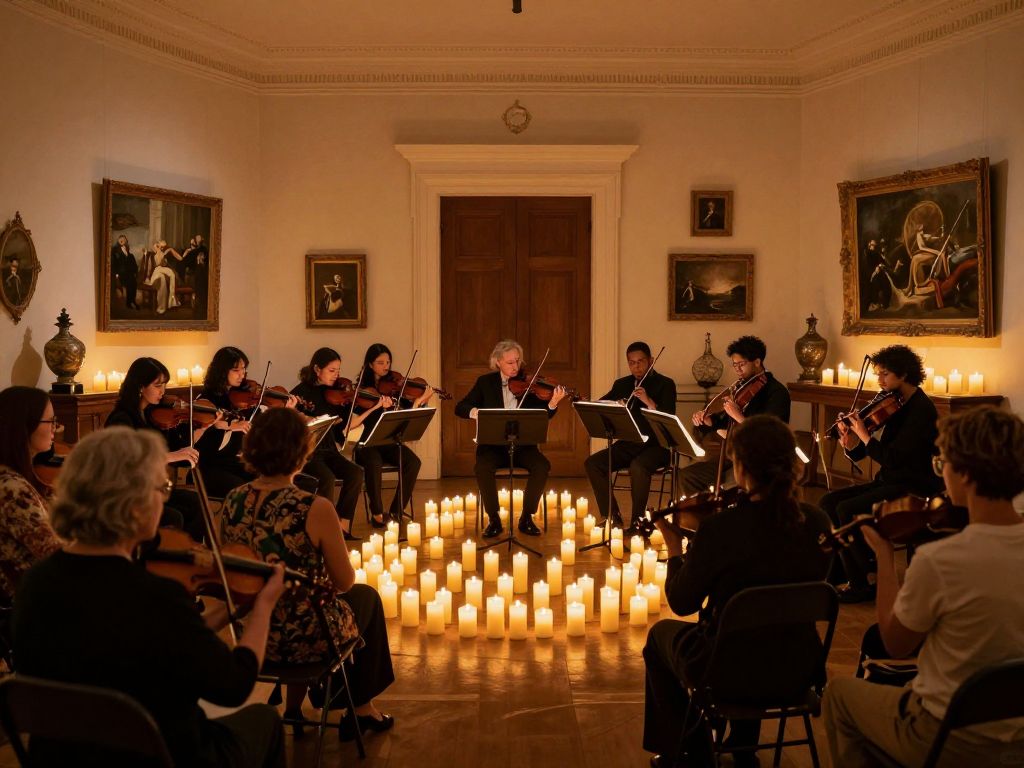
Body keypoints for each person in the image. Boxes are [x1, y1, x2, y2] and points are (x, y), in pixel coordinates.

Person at [12, 427, 287, 768]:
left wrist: (225, 613)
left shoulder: (36, 582)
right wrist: (263, 607)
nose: (164, 499)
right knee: (264, 720)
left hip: (63, 757)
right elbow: (234, 684)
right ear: (135, 503)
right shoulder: (155, 595)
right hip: (161, 756)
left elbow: (148, 642)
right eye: (163, 488)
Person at [823, 406, 1024, 767]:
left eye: (942, 462)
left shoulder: (941, 559)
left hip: (950, 736)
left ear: (963, 473)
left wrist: (884, 557)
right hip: (1019, 736)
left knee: (839, 694)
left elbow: (896, 644)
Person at [642, 415, 832, 768]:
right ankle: (744, 750)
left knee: (659, 637)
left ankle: (687, 753)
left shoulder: (721, 529)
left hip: (728, 671)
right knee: (765, 628)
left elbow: (682, 603)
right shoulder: (818, 521)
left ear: (741, 469)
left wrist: (676, 548)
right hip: (798, 666)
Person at [221, 408, 395, 740]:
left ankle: (292, 709)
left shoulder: (232, 501)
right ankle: (360, 708)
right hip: (305, 640)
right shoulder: (314, 507)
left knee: (297, 602)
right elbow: (344, 582)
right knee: (365, 597)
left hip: (253, 634)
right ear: (302, 452)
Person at [820, 344, 942, 603]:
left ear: (904, 374)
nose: (879, 380)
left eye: (884, 374)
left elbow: (894, 459)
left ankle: (862, 581)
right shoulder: (894, 403)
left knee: (846, 509)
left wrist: (864, 436)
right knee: (828, 502)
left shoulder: (921, 410)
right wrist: (851, 443)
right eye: (877, 374)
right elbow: (866, 453)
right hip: (890, 480)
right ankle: (845, 570)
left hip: (913, 486)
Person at [454, 339, 566, 537]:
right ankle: (494, 519)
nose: (516, 367)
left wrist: (553, 404)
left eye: (517, 361)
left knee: (542, 466)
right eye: (510, 362)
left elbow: (544, 415)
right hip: (493, 446)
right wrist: (476, 412)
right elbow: (460, 407)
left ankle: (526, 517)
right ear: (498, 362)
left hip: (523, 446)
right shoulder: (485, 383)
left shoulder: (530, 384)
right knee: (482, 467)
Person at [104, 356, 207, 541]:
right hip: (128, 493)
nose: (163, 391)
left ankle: (189, 554)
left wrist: (202, 427)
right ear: (140, 387)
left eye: (164, 385)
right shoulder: (121, 419)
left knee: (197, 503)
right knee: (174, 517)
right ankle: (164, 560)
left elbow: (178, 448)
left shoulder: (153, 415)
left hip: (151, 488)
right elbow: (128, 461)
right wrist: (171, 456)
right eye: (157, 385)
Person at [583, 341, 677, 535]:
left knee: (638, 466)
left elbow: (669, 419)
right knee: (593, 463)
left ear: (651, 361)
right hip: (629, 444)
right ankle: (612, 517)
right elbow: (602, 404)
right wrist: (609, 405)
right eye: (631, 362)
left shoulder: (665, 384)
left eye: (641, 361)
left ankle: (637, 522)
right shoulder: (622, 384)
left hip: (657, 447)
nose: (636, 367)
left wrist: (648, 401)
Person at [682, 335, 790, 495]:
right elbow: (723, 424)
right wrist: (708, 420)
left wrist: (738, 415)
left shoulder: (777, 392)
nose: (737, 369)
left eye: (742, 364)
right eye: (734, 365)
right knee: (687, 476)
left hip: (759, 462)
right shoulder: (741, 388)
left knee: (728, 489)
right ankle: (701, 518)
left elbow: (770, 436)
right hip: (732, 457)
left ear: (757, 362)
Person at [290, 346, 366, 538]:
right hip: (309, 453)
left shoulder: (336, 393)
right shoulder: (300, 392)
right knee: (327, 478)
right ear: (317, 369)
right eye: (332, 371)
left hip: (329, 450)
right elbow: (290, 424)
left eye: (338, 370)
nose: (336, 375)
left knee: (356, 472)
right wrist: (301, 416)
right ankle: (324, 529)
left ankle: (343, 523)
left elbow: (346, 424)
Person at [352, 343, 432, 527]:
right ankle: (377, 513)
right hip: (366, 442)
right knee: (374, 463)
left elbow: (407, 415)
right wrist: (376, 406)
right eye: (380, 362)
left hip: (387, 441)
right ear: (370, 364)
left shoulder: (396, 386)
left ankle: (396, 511)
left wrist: (419, 402)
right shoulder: (361, 390)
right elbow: (356, 419)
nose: (386, 366)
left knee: (413, 462)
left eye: (388, 362)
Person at [0, 386, 63, 606]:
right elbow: (58, 557)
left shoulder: (19, 476)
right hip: (36, 604)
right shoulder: (11, 488)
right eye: (51, 421)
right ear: (23, 426)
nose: (56, 428)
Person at [196, 347, 273, 498]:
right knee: (244, 491)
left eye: (243, 369)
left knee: (270, 481)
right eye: (236, 370)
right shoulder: (206, 400)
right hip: (213, 466)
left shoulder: (241, 396)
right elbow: (205, 441)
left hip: (236, 461)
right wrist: (229, 426)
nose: (242, 375)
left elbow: (256, 422)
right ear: (222, 371)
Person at [110, 234, 138, 309]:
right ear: (118, 240)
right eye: (121, 239)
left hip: (128, 273)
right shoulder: (114, 249)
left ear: (126, 241)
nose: (122, 240)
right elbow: (113, 263)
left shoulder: (127, 250)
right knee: (130, 281)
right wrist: (116, 274)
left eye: (124, 239)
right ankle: (129, 302)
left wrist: (134, 271)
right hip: (120, 274)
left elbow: (129, 262)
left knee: (133, 282)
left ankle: (132, 300)